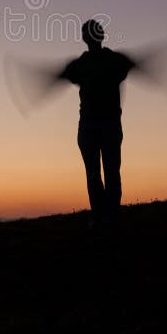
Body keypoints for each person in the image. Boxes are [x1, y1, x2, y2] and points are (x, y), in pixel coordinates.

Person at [58, 19, 139, 227]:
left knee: (97, 173)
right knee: (109, 171)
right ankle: (108, 216)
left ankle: (103, 216)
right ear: (101, 36)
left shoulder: (82, 64)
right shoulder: (113, 60)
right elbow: (133, 64)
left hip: (94, 126)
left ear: (85, 38)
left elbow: (60, 75)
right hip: (105, 125)